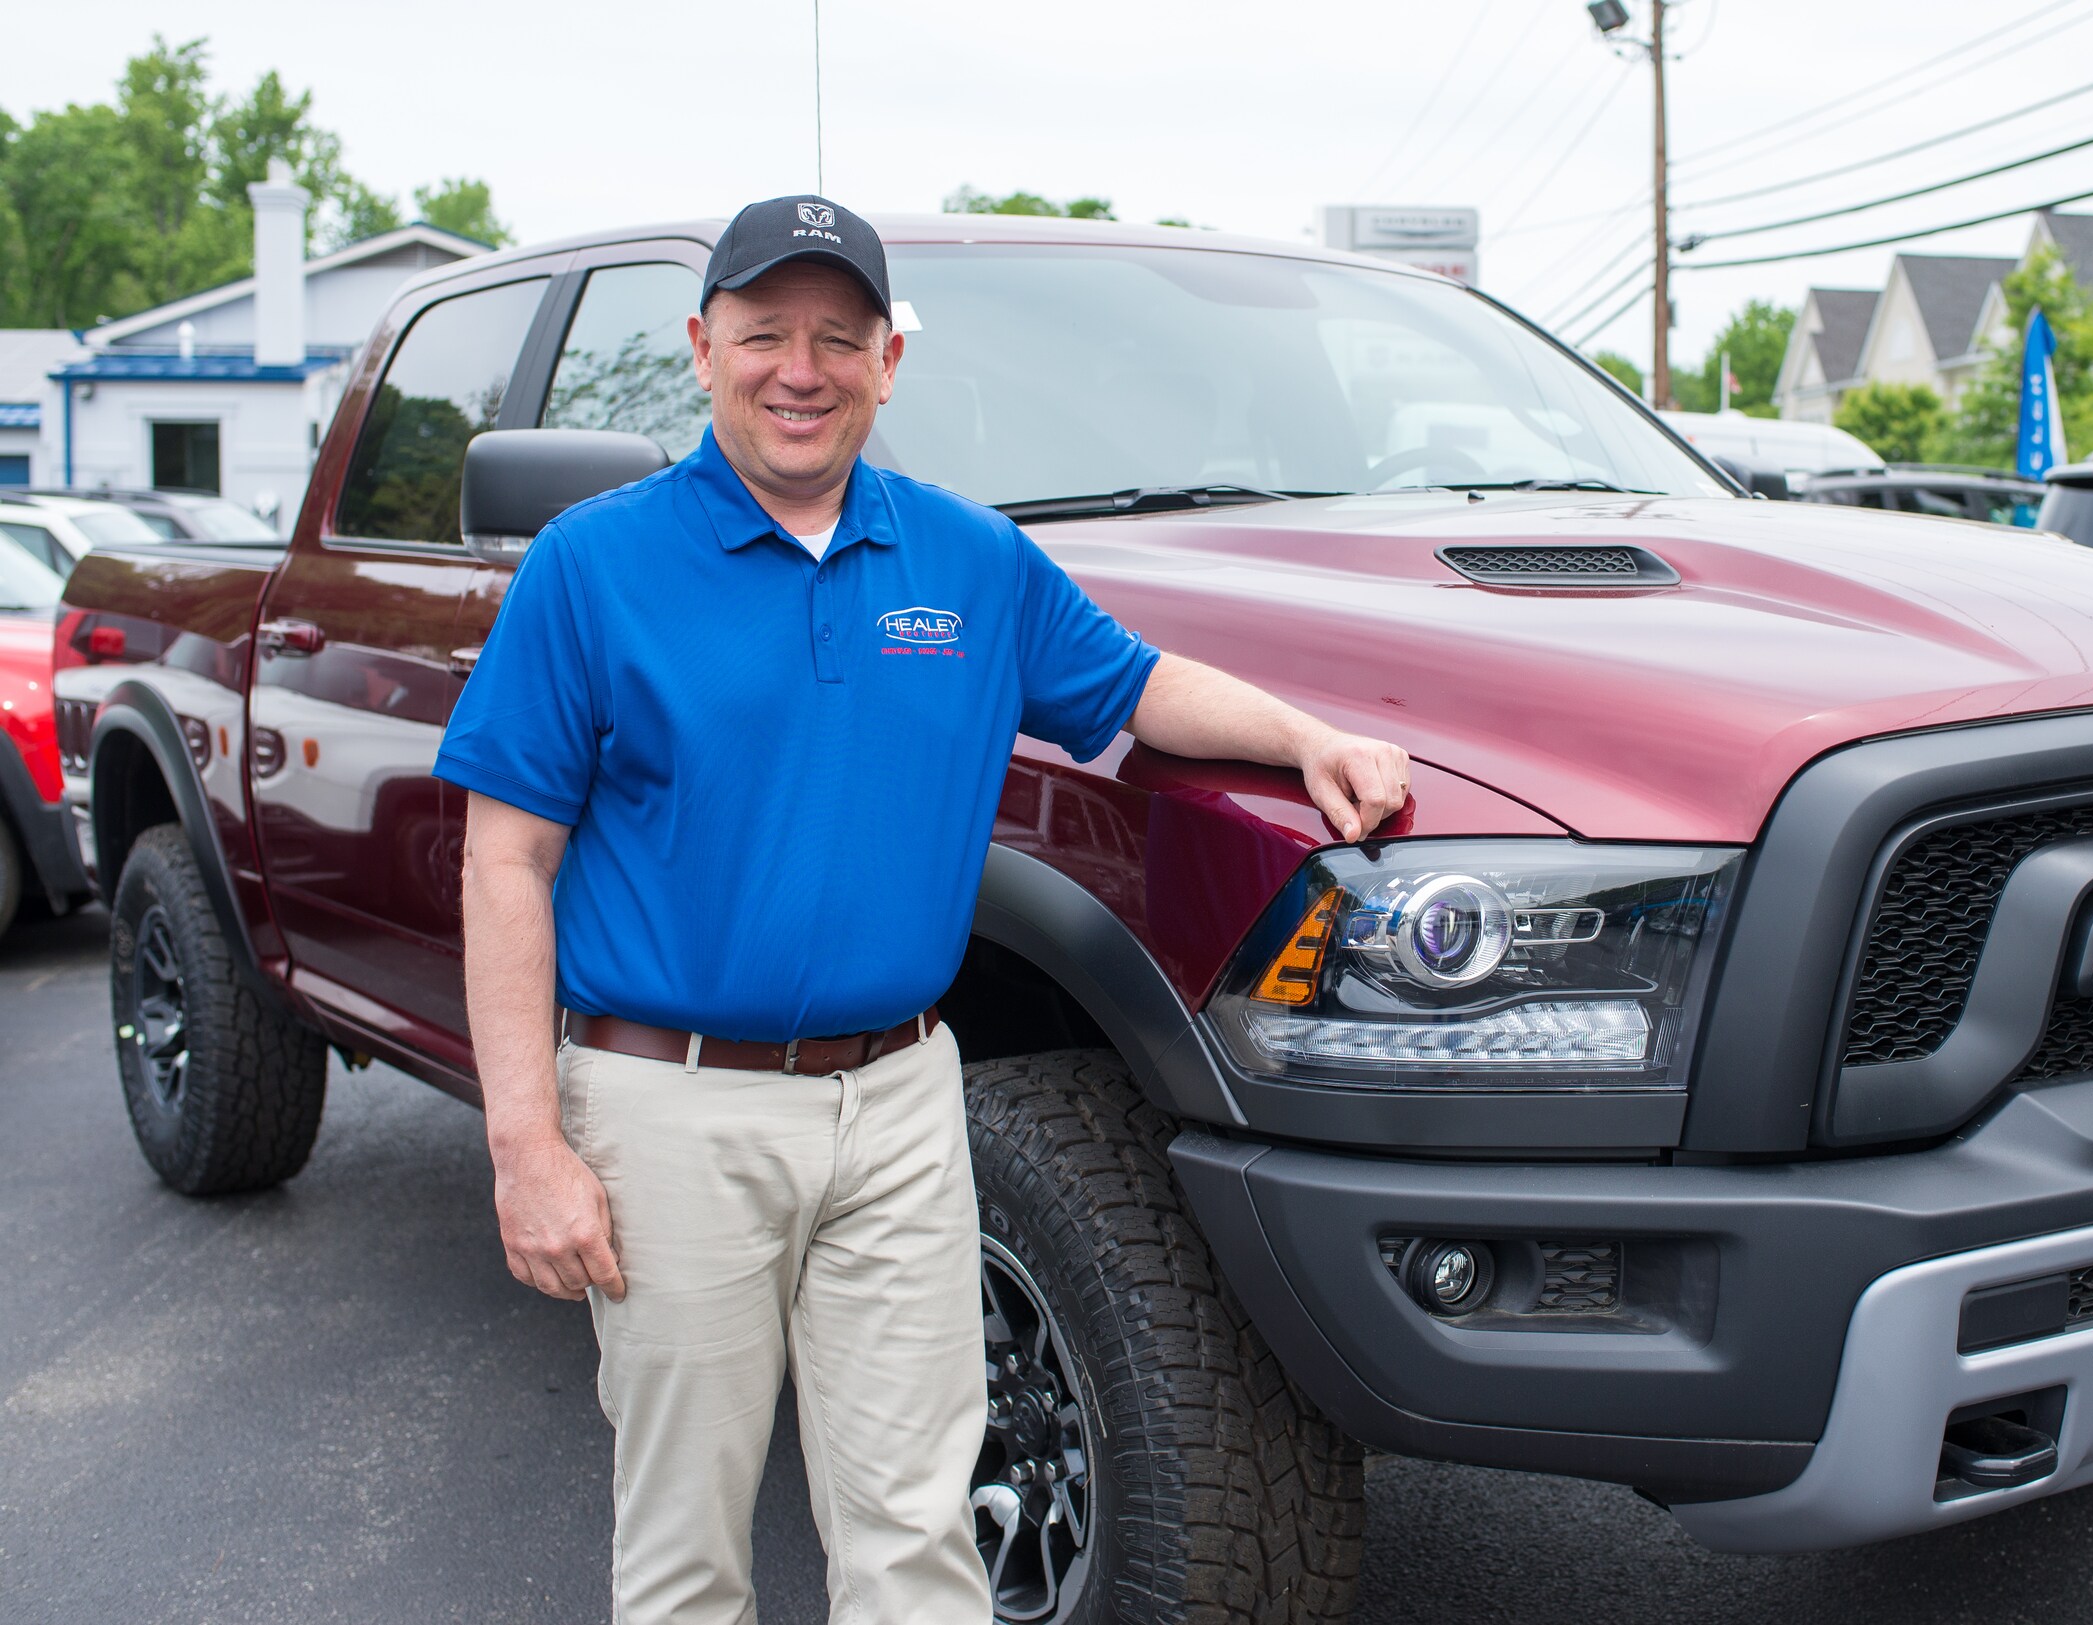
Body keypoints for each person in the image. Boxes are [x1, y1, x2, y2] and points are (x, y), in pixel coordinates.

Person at [433, 195, 1410, 1625]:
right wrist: (527, 1143)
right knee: (685, 1552)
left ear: (889, 362)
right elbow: (503, 860)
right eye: (765, 334)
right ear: (703, 348)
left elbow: (1134, 685)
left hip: (899, 1102)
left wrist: (1305, 736)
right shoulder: (592, 566)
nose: (800, 369)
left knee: (917, 1537)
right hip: (668, 1110)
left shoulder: (969, 559)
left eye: (839, 337)